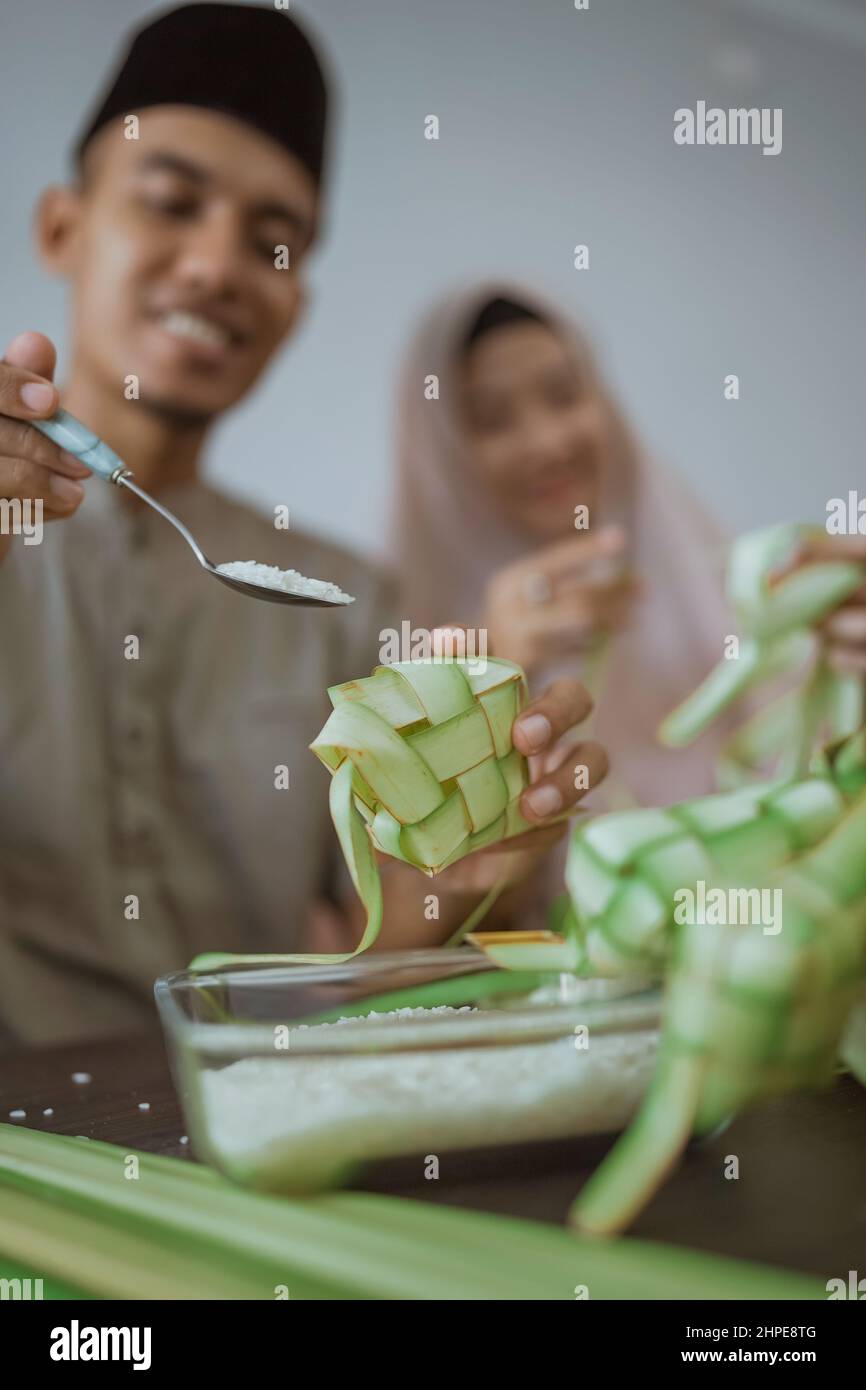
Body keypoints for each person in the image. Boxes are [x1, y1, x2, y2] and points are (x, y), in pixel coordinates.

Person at [0, 9, 604, 1048]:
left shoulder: (346, 600)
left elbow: (390, 948)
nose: (216, 265)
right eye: (171, 204)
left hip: (245, 1110)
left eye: (272, 242)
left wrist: (458, 882)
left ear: (294, 303)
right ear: (63, 227)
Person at [390, 285, 866, 808]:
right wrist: (475, 700)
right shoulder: (398, 651)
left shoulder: (737, 590)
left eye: (564, 394)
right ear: (442, 453)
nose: (547, 444)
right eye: (492, 420)